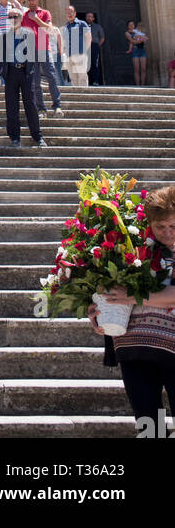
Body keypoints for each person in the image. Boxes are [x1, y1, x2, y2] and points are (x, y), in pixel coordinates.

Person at [89, 185, 175, 437]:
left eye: (173, 226)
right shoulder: (130, 245)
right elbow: (107, 287)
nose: (167, 233)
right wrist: (97, 310)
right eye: (161, 227)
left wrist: (135, 296)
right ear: (149, 222)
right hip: (134, 347)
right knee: (149, 424)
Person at [0, 7, 46, 148]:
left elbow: (33, 53)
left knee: (31, 105)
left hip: (25, 73)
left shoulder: (28, 34)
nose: (13, 19)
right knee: (11, 107)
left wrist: (29, 70)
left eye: (15, 16)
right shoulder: (4, 36)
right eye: (10, 17)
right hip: (10, 74)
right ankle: (14, 138)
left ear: (21, 18)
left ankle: (37, 137)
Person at [22, 0, 63, 118]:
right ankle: (41, 109)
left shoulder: (45, 13)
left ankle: (57, 105)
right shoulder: (24, 15)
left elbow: (49, 29)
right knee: (35, 81)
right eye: (28, 1)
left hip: (44, 48)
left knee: (51, 77)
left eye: (33, 0)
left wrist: (36, 20)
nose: (31, 2)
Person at [61, 5, 91, 87]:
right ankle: (76, 95)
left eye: (71, 12)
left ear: (75, 13)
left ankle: (84, 96)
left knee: (82, 76)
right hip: (69, 55)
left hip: (80, 53)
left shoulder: (82, 23)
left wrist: (85, 50)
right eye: (67, 13)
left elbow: (89, 37)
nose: (69, 14)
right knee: (73, 77)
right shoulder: (65, 27)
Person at [86, 11, 106, 85]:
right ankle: (87, 81)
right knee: (86, 64)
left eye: (91, 16)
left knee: (95, 63)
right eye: (88, 16)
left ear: (93, 18)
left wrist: (98, 45)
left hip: (94, 46)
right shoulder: (82, 26)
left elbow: (102, 38)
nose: (89, 18)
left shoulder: (98, 27)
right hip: (85, 47)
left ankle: (96, 81)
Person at [126, 20, 148, 87]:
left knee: (143, 69)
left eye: (132, 24)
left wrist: (141, 39)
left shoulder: (137, 31)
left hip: (142, 50)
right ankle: (138, 86)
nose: (131, 26)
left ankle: (143, 85)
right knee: (137, 69)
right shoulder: (127, 33)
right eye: (130, 25)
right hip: (135, 51)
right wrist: (141, 40)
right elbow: (132, 41)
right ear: (127, 26)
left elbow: (146, 38)